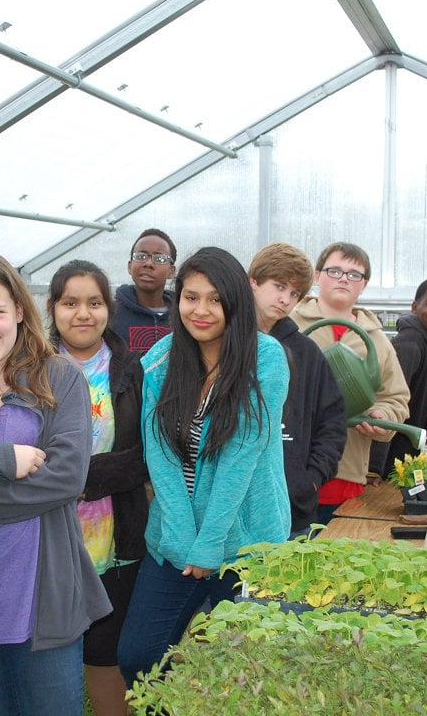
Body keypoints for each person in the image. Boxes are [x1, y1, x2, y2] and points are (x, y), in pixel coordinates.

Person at [0, 252, 111, 716]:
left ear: (20, 312)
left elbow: (66, 479)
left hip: (43, 601)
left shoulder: (59, 379)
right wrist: (4, 459)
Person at [116, 246, 290, 686]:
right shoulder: (159, 359)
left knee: (249, 671)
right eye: (190, 297)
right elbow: (161, 455)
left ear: (234, 301)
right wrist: (183, 539)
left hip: (249, 544)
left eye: (215, 299)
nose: (201, 310)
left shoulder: (265, 357)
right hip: (175, 539)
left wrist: (210, 544)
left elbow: (242, 456)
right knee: (139, 658)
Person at [47, 259, 150, 716]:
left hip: (117, 535)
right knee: (50, 652)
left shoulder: (130, 370)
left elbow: (144, 458)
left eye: (93, 303)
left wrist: (76, 478)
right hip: (46, 537)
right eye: (70, 303)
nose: (82, 314)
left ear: (108, 309)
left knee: (106, 652)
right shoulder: (29, 368)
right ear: (52, 309)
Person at [290, 242, 410, 527]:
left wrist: (383, 417)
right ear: (318, 276)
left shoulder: (377, 341)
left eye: (354, 274)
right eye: (335, 271)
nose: (344, 279)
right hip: (287, 471)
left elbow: (396, 397)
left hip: (346, 476)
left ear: (364, 285)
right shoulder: (288, 325)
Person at [248, 243, 348, 539]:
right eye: (278, 286)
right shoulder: (225, 344)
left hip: (291, 514)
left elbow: (333, 422)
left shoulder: (306, 352)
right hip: (229, 512)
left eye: (294, 294)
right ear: (253, 280)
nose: (285, 300)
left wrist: (311, 479)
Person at [372, 276, 427, 479]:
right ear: (415, 307)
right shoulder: (409, 346)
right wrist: (374, 468)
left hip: (405, 457)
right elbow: (384, 401)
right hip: (387, 462)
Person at [110, 227, 177, 355]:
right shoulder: (111, 313)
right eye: (141, 256)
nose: (148, 263)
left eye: (159, 258)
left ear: (171, 271)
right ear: (130, 266)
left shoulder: (182, 315)